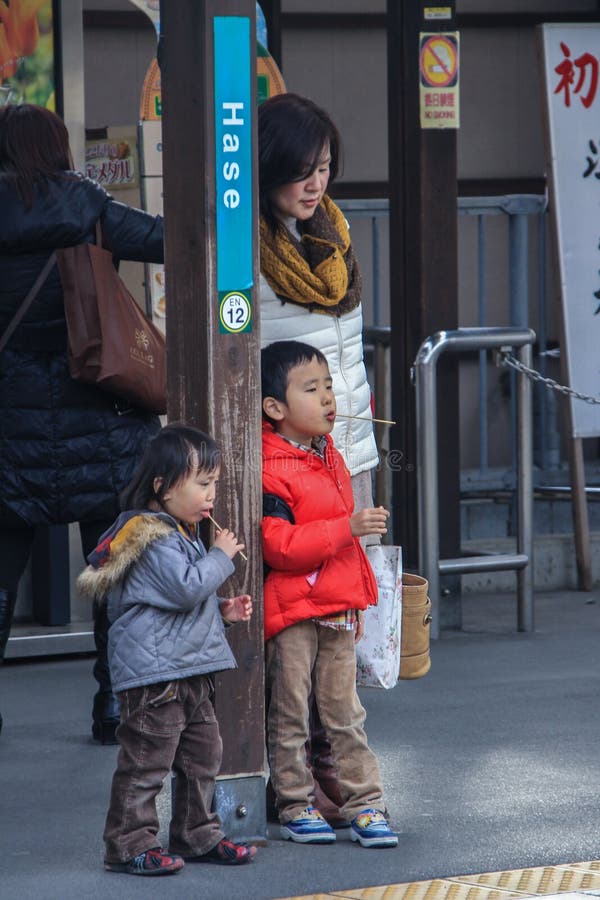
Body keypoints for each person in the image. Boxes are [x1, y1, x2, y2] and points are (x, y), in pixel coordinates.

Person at [0, 103, 164, 742]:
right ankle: (113, 708)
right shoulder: (90, 210)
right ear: (57, 147)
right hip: (100, 420)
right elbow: (166, 237)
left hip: (9, 429)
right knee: (113, 570)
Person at [258, 91, 380, 821]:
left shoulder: (332, 239)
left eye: (325, 168)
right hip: (280, 464)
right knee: (293, 631)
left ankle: (332, 768)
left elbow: (350, 361)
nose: (316, 185)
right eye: (302, 171)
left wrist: (357, 441)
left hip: (345, 453)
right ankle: (294, 778)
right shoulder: (241, 248)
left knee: (342, 626)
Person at [77, 424, 257, 876]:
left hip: (187, 668)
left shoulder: (179, 530)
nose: (211, 493)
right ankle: (128, 843)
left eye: (214, 482)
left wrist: (223, 610)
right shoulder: (151, 535)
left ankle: (198, 833)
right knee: (146, 761)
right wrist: (221, 556)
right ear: (161, 485)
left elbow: (182, 603)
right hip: (156, 676)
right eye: (202, 483)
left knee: (204, 754)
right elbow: (181, 590)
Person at [261, 340, 398, 848]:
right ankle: (295, 802)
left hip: (336, 606)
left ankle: (366, 803)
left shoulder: (329, 454)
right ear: (274, 408)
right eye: (311, 388)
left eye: (329, 386)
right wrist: (348, 528)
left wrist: (359, 597)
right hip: (295, 610)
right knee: (291, 711)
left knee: (346, 713)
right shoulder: (271, 465)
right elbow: (278, 547)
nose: (327, 398)